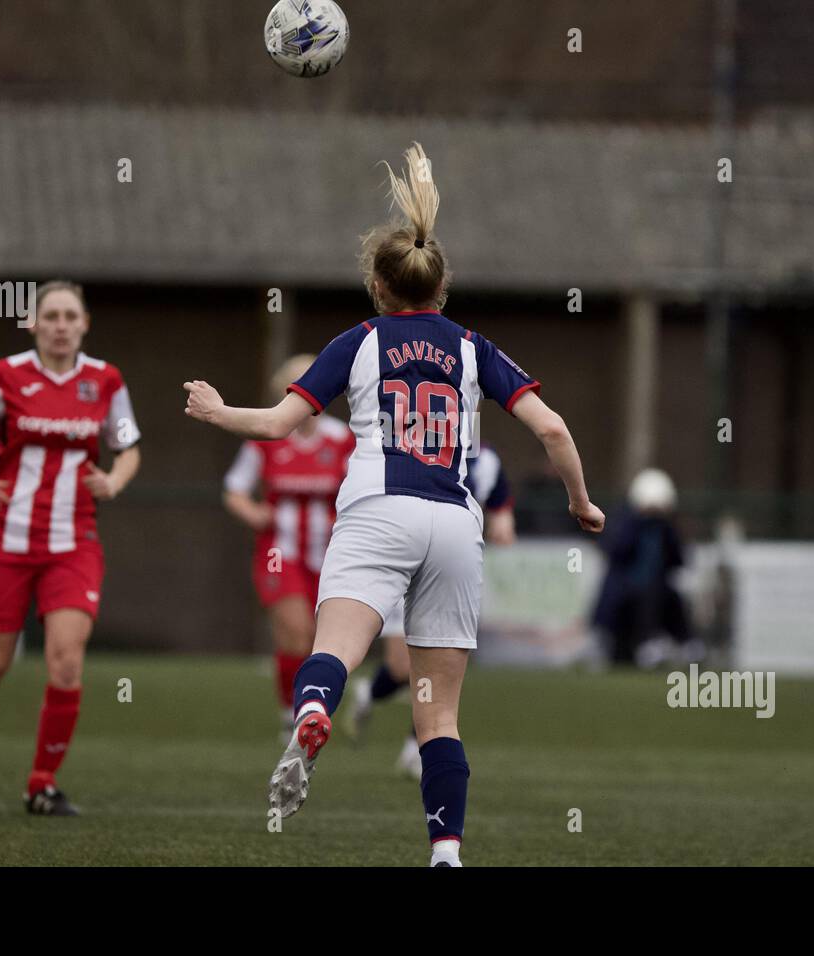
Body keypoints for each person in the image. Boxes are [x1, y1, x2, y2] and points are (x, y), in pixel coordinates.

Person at [184, 142, 604, 866]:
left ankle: (313, 709)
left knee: (334, 652)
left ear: (378, 288)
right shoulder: (475, 348)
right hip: (452, 522)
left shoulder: (360, 341)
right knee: (437, 711)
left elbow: (283, 424)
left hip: (378, 509)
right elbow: (554, 429)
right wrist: (581, 502)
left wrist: (220, 411)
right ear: (441, 292)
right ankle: (446, 853)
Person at [0, 280, 142, 816]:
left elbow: (128, 446)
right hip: (3, 541)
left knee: (66, 662)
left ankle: (41, 783)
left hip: (74, 544)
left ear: (85, 323)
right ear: (34, 323)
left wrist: (115, 480)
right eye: (51, 316)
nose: (61, 325)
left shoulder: (105, 379)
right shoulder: (6, 375)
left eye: (71, 315)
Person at [345, 443, 517, 780]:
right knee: (401, 667)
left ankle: (415, 749)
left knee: (436, 665)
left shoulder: (488, 462)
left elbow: (501, 508)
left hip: (447, 570)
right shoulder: (407, 443)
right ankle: (370, 693)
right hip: (401, 562)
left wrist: (503, 525)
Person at [223, 354, 355, 738]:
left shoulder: (342, 439)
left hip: (330, 555)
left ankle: (308, 707)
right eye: (299, 384)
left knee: (318, 640)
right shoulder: (266, 439)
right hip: (279, 554)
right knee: (295, 632)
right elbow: (234, 491)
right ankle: (290, 713)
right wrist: (252, 512)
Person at [590, 468, 694, 667]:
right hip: (622, 592)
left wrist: (665, 527)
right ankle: (608, 646)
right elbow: (613, 549)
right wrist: (638, 522)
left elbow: (679, 560)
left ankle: (676, 645)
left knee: (666, 597)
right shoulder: (624, 521)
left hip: (657, 594)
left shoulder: (666, 528)